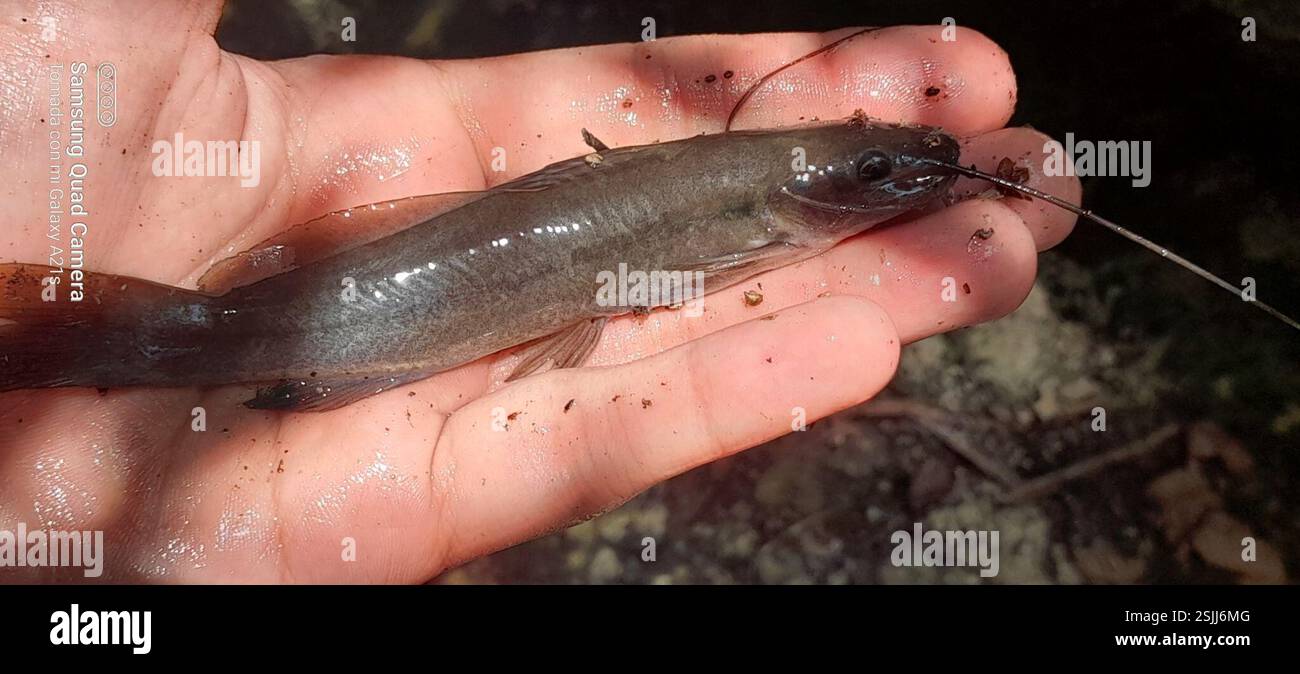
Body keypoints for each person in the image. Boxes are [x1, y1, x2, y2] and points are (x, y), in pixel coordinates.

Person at [0, 2, 1078, 582]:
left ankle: (93, 334)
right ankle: (92, 335)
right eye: (872, 167)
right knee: (200, 333)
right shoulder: (779, 198)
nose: (889, 179)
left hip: (427, 279)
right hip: (396, 286)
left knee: (212, 333)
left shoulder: (787, 191)